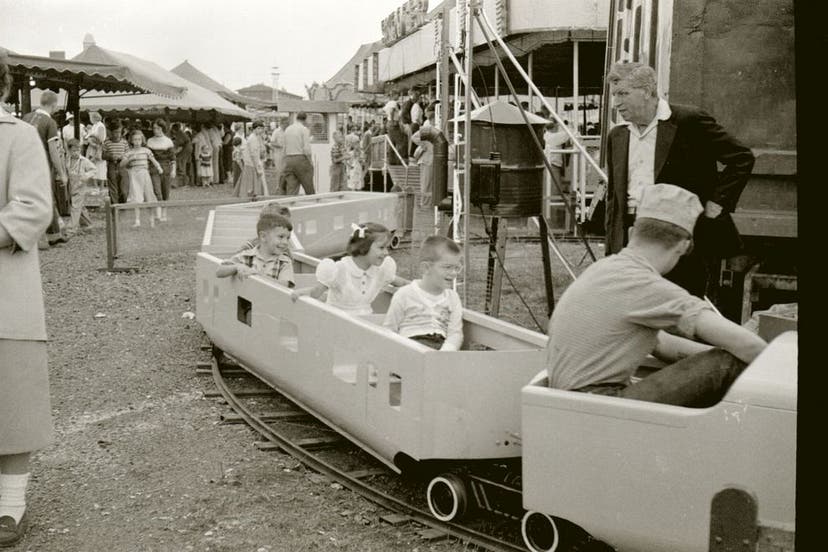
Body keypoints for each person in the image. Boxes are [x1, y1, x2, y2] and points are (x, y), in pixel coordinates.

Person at [546, 184, 767, 406]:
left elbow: (660, 343)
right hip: (598, 405)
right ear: (683, 246)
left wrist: (714, 352)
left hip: (570, 403)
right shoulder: (649, 286)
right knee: (727, 363)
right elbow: (747, 345)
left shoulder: (604, 270)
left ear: (633, 233)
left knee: (724, 357)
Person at [604, 62, 755, 297]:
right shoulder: (617, 136)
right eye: (614, 95)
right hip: (633, 236)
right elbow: (614, 199)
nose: (616, 103)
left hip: (681, 237)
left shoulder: (688, 121)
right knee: (636, 304)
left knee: (679, 306)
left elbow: (741, 158)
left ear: (647, 91)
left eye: (623, 93)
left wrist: (717, 203)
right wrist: (613, 247)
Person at [0, 50, 55, 546]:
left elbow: (34, 208)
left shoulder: (16, 136)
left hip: (5, 290)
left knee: (11, 399)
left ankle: (9, 506)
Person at [293, 223, 402, 315]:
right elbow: (315, 292)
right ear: (364, 247)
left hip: (366, 322)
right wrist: (298, 294)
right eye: (381, 248)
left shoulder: (381, 270)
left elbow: (399, 282)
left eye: (387, 248)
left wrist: (417, 287)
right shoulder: (339, 269)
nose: (386, 253)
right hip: (339, 321)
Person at [383, 235, 464, 351]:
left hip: (440, 349)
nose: (453, 273)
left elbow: (455, 333)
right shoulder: (404, 294)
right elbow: (389, 329)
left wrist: (444, 354)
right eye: (448, 267)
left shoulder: (452, 298)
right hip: (409, 345)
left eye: (457, 268)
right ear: (426, 268)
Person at [22, 90, 68, 247]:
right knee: (45, 197)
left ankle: (36, 233)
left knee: (27, 197)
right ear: (54, 105)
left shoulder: (26, 117)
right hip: (41, 164)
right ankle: (51, 235)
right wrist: (62, 173)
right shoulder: (50, 123)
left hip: (23, 163)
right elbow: (53, 150)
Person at [216, 212, 294, 288]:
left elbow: (284, 285)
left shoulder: (284, 262)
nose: (285, 242)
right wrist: (238, 266)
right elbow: (219, 271)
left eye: (287, 238)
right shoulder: (246, 256)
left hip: (270, 300)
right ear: (263, 236)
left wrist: (257, 275)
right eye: (281, 237)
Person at [120, 130, 162, 228]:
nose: (137, 141)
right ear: (131, 141)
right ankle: (137, 220)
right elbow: (121, 164)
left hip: (144, 174)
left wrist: (159, 167)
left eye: (139, 139)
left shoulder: (146, 150)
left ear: (142, 140)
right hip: (134, 175)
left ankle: (152, 220)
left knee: (149, 196)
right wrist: (129, 159)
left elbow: (153, 160)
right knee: (136, 197)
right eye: (135, 140)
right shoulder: (129, 152)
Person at [63, 138, 96, 236]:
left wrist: (86, 176)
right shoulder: (67, 160)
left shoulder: (84, 161)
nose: (76, 152)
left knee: (75, 206)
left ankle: (71, 229)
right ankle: (87, 224)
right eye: (73, 150)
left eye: (78, 150)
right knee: (78, 206)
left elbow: (94, 170)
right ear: (69, 151)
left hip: (80, 185)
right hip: (71, 185)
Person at [147, 119, 175, 222]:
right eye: (154, 128)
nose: (155, 130)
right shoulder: (150, 141)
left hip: (166, 167)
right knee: (156, 190)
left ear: (162, 128)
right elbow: (148, 156)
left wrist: (173, 170)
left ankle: (164, 213)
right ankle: (158, 213)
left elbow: (172, 158)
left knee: (165, 191)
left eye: (158, 128)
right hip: (154, 167)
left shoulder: (168, 141)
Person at [281, 112, 315, 195]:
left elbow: (284, 147)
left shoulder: (288, 129)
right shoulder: (304, 129)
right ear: (305, 119)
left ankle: (291, 205)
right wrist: (310, 162)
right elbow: (306, 149)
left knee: (292, 188)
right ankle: (312, 204)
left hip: (289, 159)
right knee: (308, 186)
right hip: (301, 159)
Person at [234, 122, 266, 197]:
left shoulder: (255, 137)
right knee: (250, 185)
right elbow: (253, 155)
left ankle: (249, 196)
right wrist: (257, 168)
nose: (260, 130)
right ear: (254, 129)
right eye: (258, 128)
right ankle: (249, 197)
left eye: (261, 128)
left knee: (250, 184)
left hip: (250, 164)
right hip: (251, 165)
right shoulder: (253, 138)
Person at [103, 119, 129, 204]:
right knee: (113, 187)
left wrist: (124, 157)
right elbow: (103, 155)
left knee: (124, 188)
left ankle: (122, 204)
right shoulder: (107, 142)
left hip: (122, 166)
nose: (117, 134)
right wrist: (110, 157)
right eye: (115, 132)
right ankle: (115, 205)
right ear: (110, 132)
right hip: (112, 165)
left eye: (119, 132)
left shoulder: (124, 142)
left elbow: (128, 154)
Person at [543, 119, 569, 194]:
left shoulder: (547, 136)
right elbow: (568, 134)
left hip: (550, 165)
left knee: (553, 188)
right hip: (552, 165)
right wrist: (563, 125)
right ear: (555, 127)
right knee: (554, 190)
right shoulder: (554, 137)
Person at [411, 125, 433, 206]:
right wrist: (424, 144)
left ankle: (427, 203)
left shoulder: (431, 128)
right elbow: (414, 137)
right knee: (426, 183)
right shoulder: (428, 127)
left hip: (430, 160)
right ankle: (425, 203)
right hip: (427, 160)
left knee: (427, 184)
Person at [87, 111, 107, 189]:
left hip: (98, 148)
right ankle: (95, 185)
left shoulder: (100, 126)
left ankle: (101, 186)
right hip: (93, 147)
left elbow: (101, 139)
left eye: (91, 117)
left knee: (100, 166)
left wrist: (93, 141)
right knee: (93, 166)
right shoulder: (94, 125)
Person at [270, 118, 288, 191]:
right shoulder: (276, 131)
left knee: (285, 170)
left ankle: (284, 185)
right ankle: (278, 186)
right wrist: (280, 146)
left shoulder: (287, 131)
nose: (287, 125)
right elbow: (272, 142)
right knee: (279, 170)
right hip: (278, 154)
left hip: (286, 154)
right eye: (286, 123)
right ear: (282, 123)